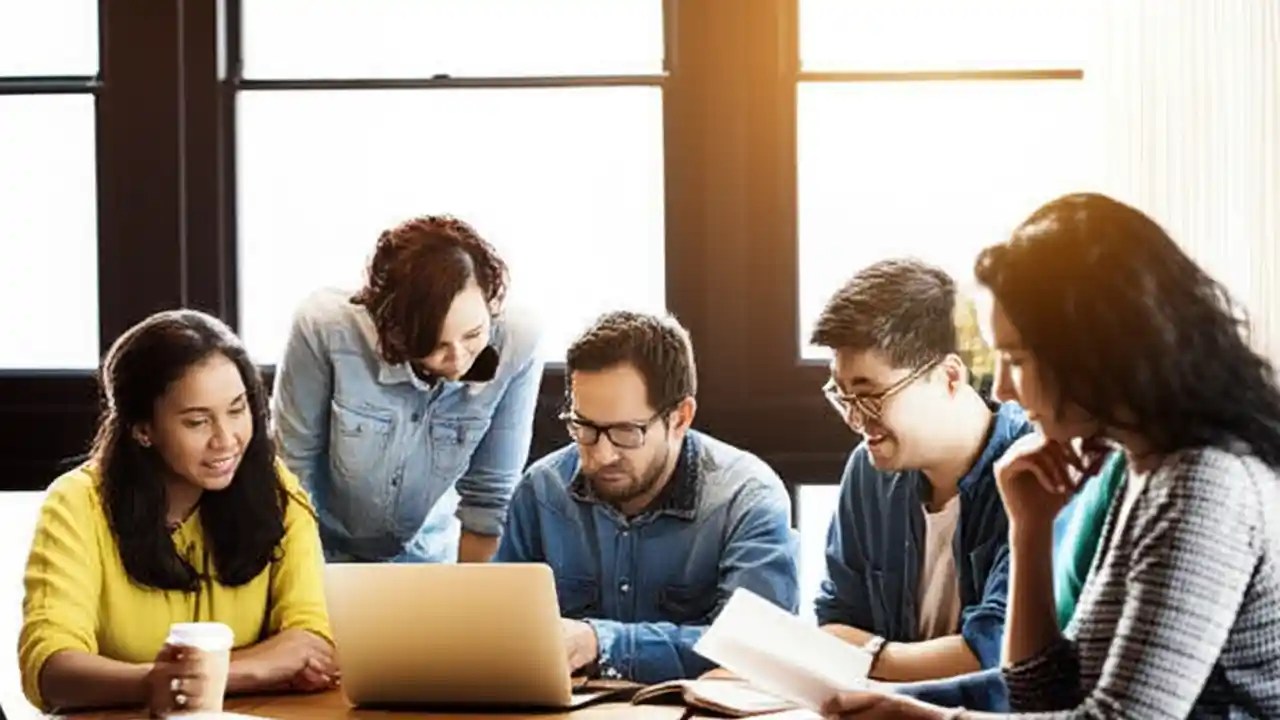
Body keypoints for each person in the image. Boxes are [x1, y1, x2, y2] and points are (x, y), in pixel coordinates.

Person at [823, 193, 1280, 718]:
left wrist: (925, 717)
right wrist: (1030, 530)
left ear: (1091, 349)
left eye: (1016, 359)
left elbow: (1120, 718)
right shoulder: (1143, 473)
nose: (1004, 389)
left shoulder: (1205, 483)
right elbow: (1038, 696)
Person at [19, 310, 335, 716]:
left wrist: (189, 680)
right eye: (197, 421)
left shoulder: (275, 490)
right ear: (142, 428)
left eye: (237, 410)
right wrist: (159, 683)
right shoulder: (77, 504)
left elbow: (312, 643)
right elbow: (50, 668)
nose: (226, 440)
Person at [495, 311, 798, 683]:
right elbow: (502, 636)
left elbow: (759, 650)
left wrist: (600, 643)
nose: (602, 455)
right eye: (584, 427)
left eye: (626, 431)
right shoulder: (541, 491)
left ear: (680, 418)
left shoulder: (746, 498)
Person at [810, 259, 1033, 683]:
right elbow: (833, 621)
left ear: (949, 376)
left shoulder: (1032, 470)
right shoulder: (867, 471)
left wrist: (869, 654)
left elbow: (996, 654)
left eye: (870, 395)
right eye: (842, 397)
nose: (856, 421)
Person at [272, 215, 543, 563]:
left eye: (473, 335)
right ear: (393, 327)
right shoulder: (325, 327)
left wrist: (473, 607)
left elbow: (489, 500)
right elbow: (294, 473)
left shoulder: (517, 341)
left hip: (431, 559)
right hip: (323, 552)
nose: (458, 359)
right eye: (433, 344)